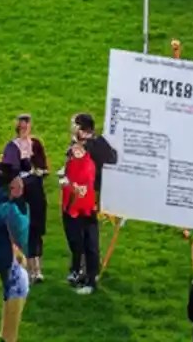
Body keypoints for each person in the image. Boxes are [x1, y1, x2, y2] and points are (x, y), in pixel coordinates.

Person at [0, 164, 31, 342]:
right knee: (19, 286)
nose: (22, 186)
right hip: (5, 256)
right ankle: (9, 337)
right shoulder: (8, 208)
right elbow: (22, 232)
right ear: (11, 186)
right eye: (19, 182)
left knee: (10, 287)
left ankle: (4, 334)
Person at [66, 113, 116, 285]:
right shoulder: (77, 143)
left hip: (89, 198)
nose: (72, 127)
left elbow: (112, 157)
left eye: (75, 125)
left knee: (89, 237)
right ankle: (78, 269)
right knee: (76, 236)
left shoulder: (96, 144)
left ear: (83, 129)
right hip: (75, 196)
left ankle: (90, 275)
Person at [1, 114, 48, 282]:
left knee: (36, 229)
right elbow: (8, 172)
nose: (24, 130)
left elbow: (43, 166)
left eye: (27, 126)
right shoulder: (12, 147)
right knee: (22, 229)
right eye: (21, 127)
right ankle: (25, 269)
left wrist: (40, 171)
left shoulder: (36, 144)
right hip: (21, 194)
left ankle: (37, 269)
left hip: (35, 192)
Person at [60, 138, 100, 295]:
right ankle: (77, 271)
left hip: (84, 209)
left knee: (88, 245)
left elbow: (86, 184)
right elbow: (66, 177)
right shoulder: (70, 162)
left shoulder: (89, 164)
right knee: (75, 242)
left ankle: (88, 278)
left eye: (80, 148)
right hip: (70, 207)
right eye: (74, 147)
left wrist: (73, 187)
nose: (76, 150)